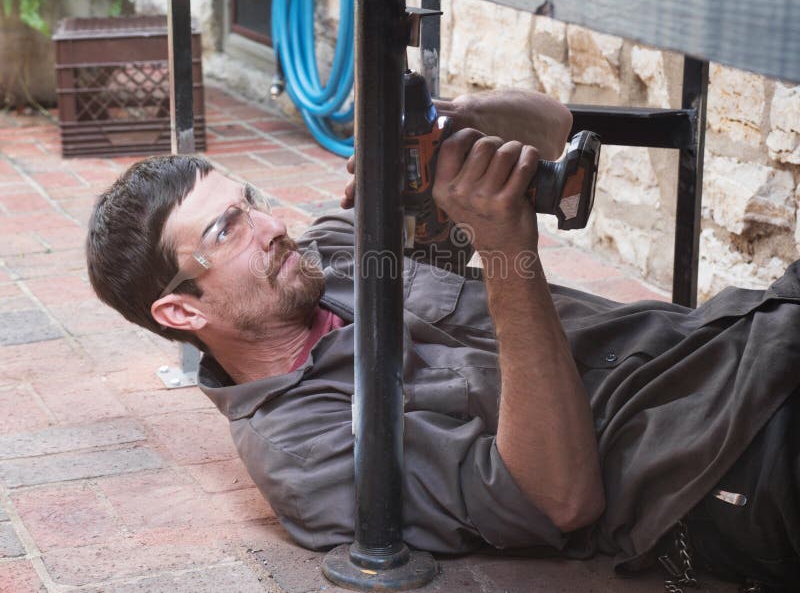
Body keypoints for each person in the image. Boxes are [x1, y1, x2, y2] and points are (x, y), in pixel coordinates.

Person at [86, 90, 799, 591]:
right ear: (180, 312)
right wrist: (509, 252)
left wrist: (445, 122)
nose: (270, 224)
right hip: (729, 458)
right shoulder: (304, 451)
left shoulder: (333, 252)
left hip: (748, 331)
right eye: (227, 229)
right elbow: (560, 498)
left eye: (251, 202)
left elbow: (551, 124)